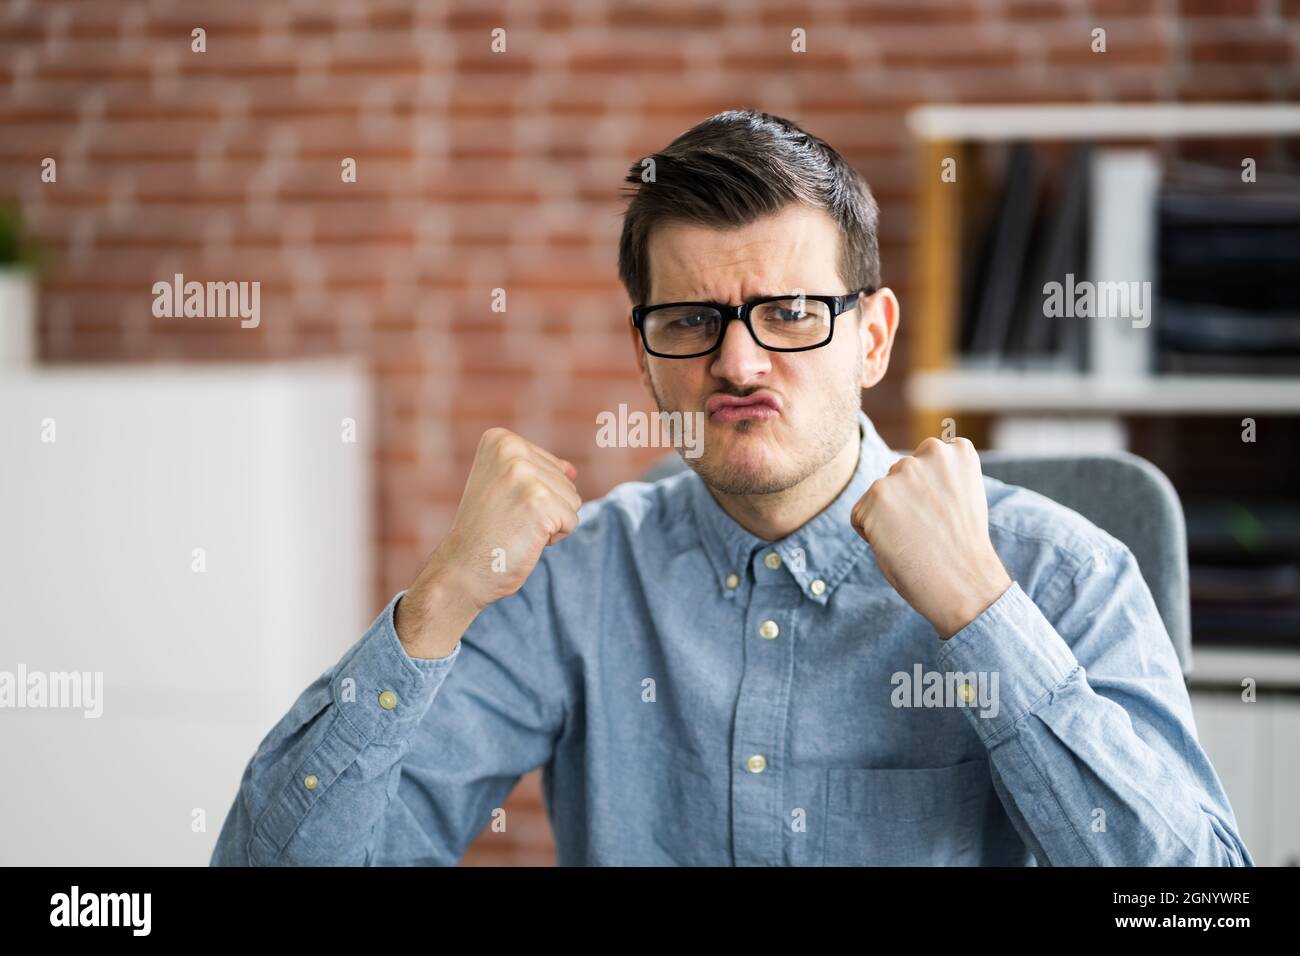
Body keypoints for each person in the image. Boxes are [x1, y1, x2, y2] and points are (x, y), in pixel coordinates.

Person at [211, 109, 1252, 866]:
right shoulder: (578, 581)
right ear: (646, 356)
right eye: (690, 321)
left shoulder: (1057, 573)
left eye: (791, 311)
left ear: (872, 336)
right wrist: (436, 599)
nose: (740, 364)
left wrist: (984, 617)